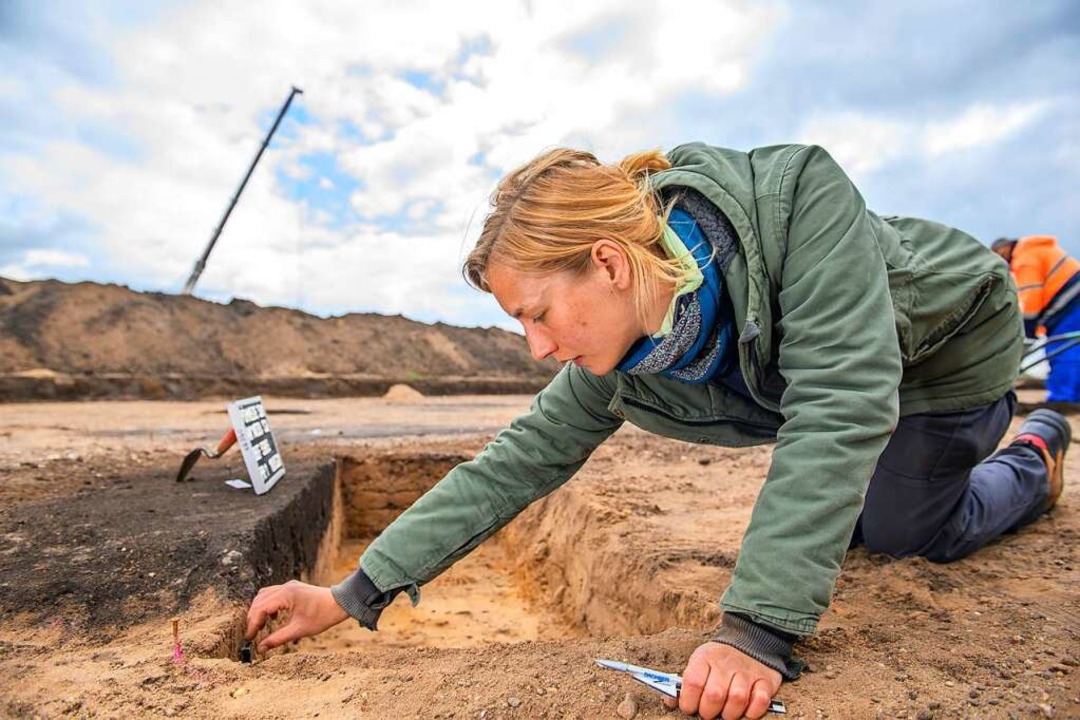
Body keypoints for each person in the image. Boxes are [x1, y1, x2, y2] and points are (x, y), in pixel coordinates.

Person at [246, 143, 1070, 720]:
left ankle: (1032, 452)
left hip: (948, 350)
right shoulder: (622, 355)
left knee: (902, 532)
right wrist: (350, 594)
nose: (537, 347)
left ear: (607, 263)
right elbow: (512, 465)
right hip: (868, 371)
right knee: (839, 520)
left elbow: (839, 403)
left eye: (537, 314)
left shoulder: (800, 196)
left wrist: (757, 634)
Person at [992, 235, 1080, 402]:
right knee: (1070, 350)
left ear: (1003, 249)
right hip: (1070, 303)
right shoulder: (1035, 251)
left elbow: (1031, 298)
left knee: (1062, 350)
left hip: (1071, 304)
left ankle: (1063, 399)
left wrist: (1027, 329)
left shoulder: (1025, 258)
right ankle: (1073, 397)